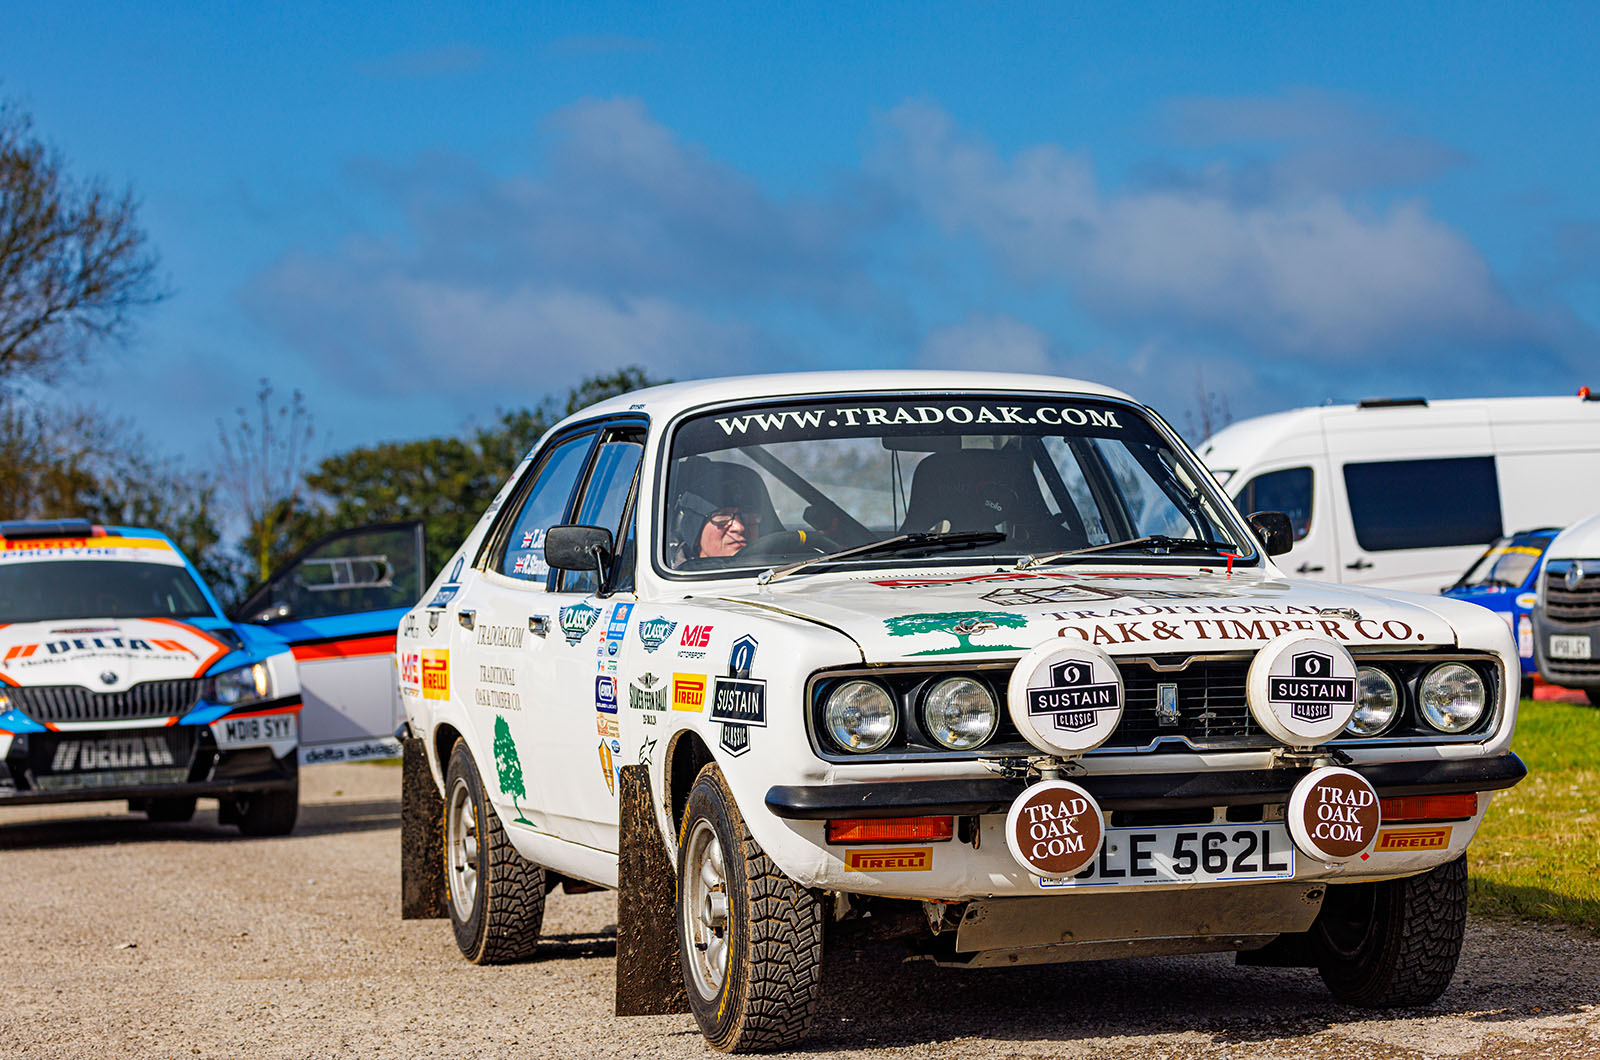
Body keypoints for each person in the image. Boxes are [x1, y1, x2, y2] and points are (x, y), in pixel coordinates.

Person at [670, 457, 774, 565]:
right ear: (695, 536)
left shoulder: (782, 570)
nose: (739, 527)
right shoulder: (670, 579)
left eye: (748, 515)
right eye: (722, 516)